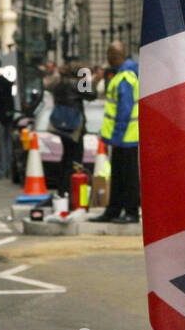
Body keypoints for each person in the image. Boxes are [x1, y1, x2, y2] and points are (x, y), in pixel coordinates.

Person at [93, 42, 140, 224]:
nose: (107, 58)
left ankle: (130, 212)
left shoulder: (125, 78)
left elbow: (124, 112)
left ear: (114, 56)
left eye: (108, 54)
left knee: (128, 177)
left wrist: (117, 137)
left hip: (126, 138)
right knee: (119, 176)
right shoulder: (121, 75)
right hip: (123, 138)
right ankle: (113, 210)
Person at [46, 62, 86, 202]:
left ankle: (62, 191)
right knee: (75, 160)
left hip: (61, 126)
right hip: (74, 127)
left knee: (66, 158)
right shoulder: (75, 85)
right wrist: (84, 75)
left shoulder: (59, 84)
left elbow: (48, 86)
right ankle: (70, 193)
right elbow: (91, 94)